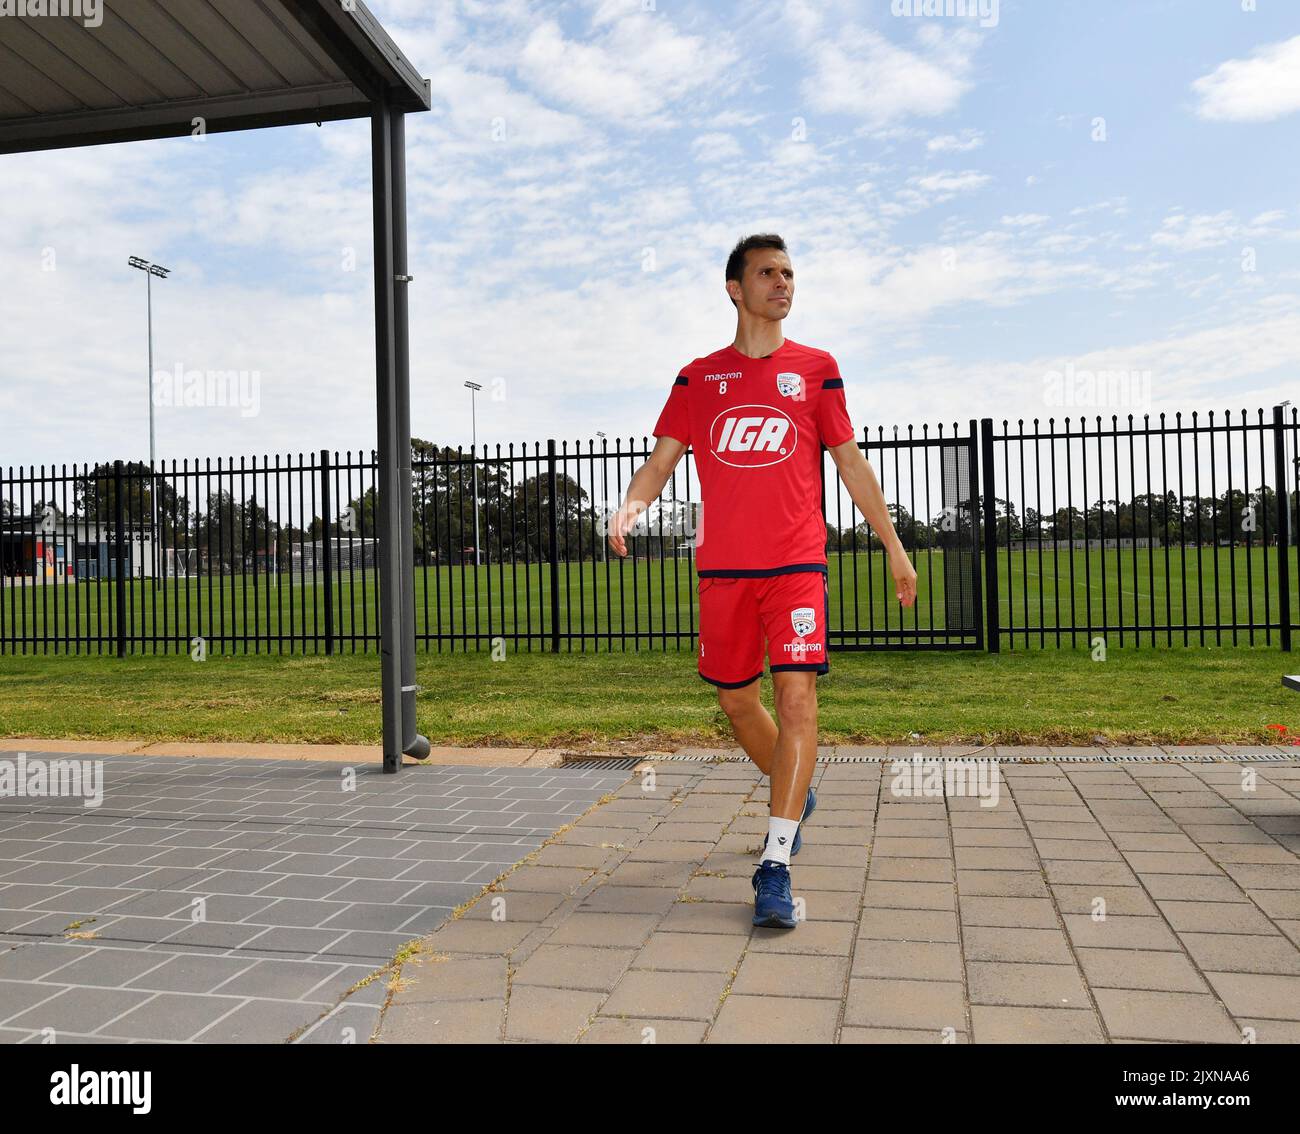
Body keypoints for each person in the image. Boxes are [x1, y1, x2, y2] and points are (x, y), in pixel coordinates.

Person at [607, 233, 917, 929]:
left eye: (789, 273)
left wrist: (894, 545)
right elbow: (662, 462)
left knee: (797, 693)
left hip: (797, 564)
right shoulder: (697, 378)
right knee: (737, 702)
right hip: (723, 571)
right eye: (768, 273)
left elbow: (852, 465)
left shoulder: (817, 369)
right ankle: (794, 787)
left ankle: (774, 863)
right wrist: (631, 505)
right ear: (735, 289)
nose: (784, 283)